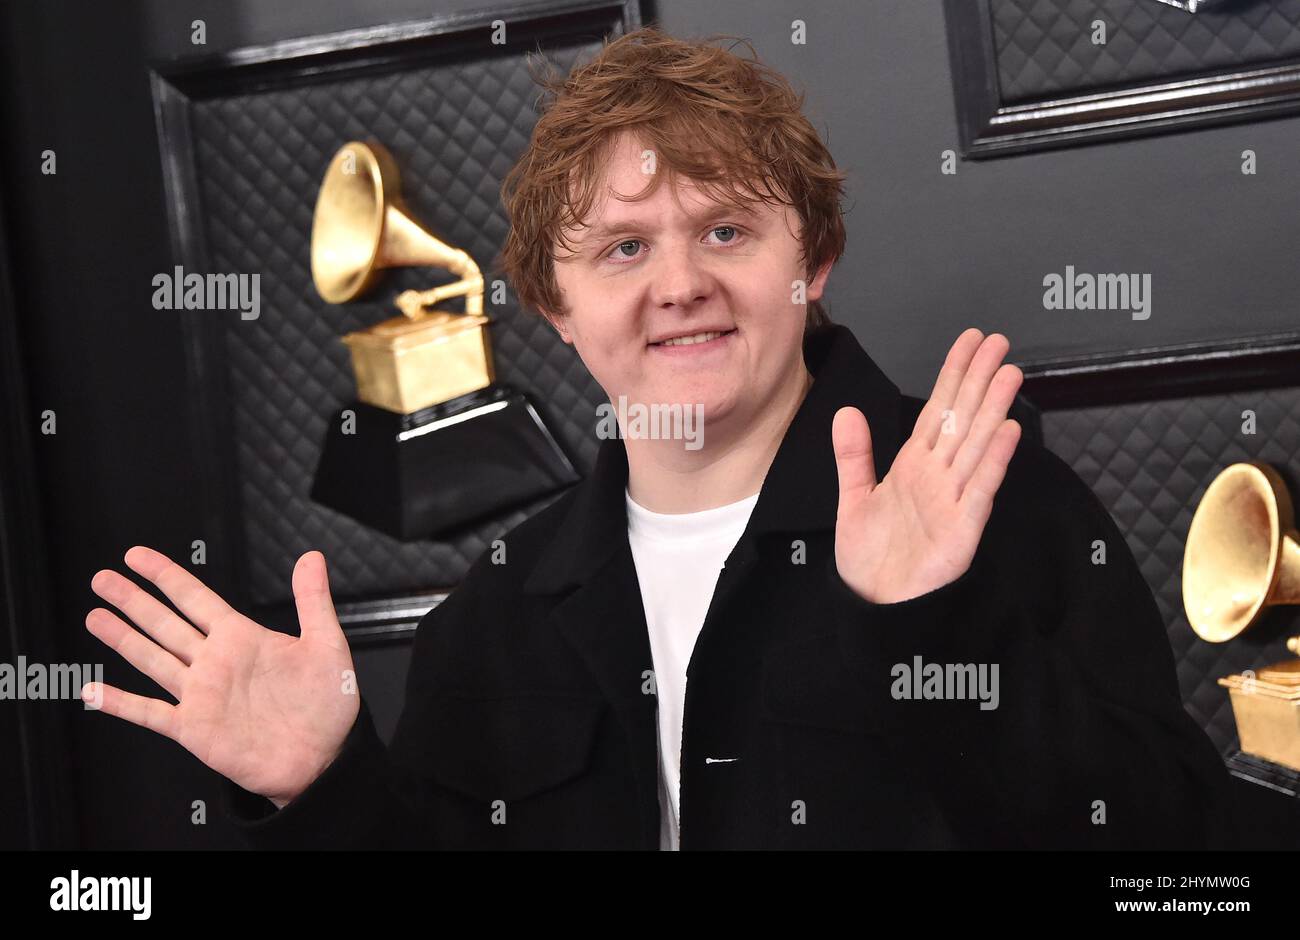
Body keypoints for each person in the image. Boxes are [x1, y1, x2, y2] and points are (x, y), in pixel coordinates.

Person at [82, 26, 1235, 849]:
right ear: (552, 302)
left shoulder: (991, 499)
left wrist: (930, 625)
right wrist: (325, 790)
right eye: (623, 249)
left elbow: (1176, 860)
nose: (680, 284)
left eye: (727, 228)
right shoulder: (494, 613)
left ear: (812, 260)